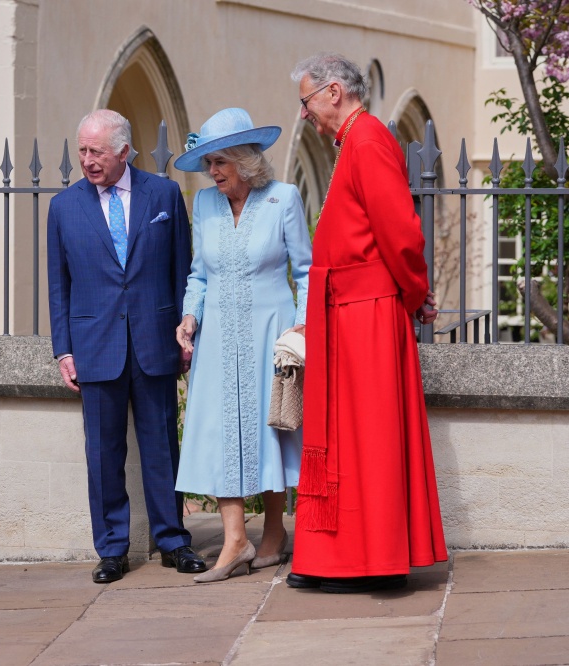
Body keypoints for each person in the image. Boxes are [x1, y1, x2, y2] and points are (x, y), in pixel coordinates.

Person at [287, 53, 447, 593]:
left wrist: (416, 293)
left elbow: (400, 232)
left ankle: (372, 558)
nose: (304, 113)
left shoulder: (370, 137)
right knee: (345, 440)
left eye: (306, 100)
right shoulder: (354, 140)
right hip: (348, 314)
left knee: (368, 439)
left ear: (334, 92)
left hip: (367, 315)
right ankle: (342, 555)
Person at [47, 109, 205, 583]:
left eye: (96, 151)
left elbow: (183, 269)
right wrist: (64, 350)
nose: (87, 160)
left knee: (162, 448)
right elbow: (60, 285)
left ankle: (173, 540)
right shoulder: (64, 206)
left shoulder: (164, 194)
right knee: (103, 453)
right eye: (82, 150)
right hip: (94, 346)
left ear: (123, 151)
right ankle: (112, 549)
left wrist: (184, 331)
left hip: (156, 342)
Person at [173, 108, 312, 583]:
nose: (212, 173)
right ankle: (235, 539)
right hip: (217, 337)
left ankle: (274, 532)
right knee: (218, 430)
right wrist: (190, 315)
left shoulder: (283, 199)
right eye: (208, 163)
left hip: (271, 332)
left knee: (267, 428)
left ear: (245, 161)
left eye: (219, 163)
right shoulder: (206, 206)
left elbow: (306, 272)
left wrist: (302, 326)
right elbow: (198, 273)